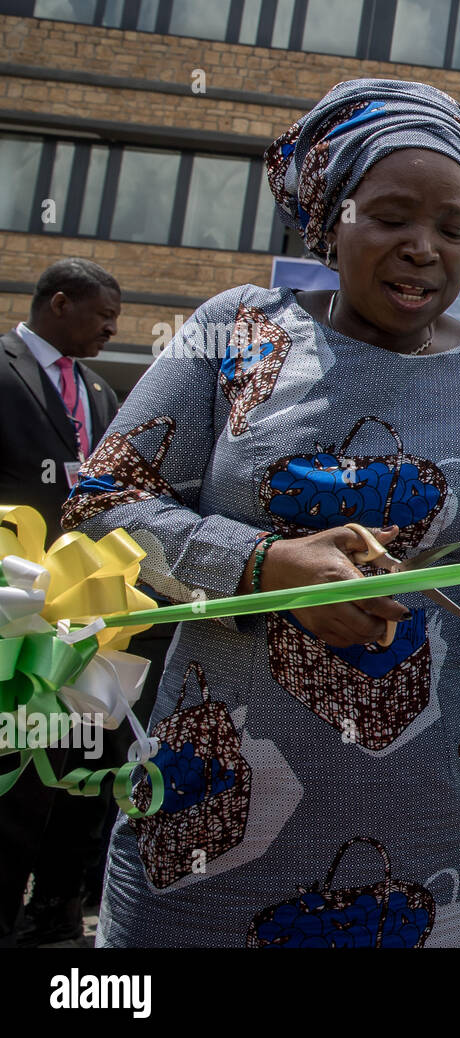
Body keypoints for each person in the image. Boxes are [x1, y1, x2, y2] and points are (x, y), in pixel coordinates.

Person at [63, 79, 460, 948]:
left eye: (453, 227)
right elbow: (100, 503)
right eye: (392, 217)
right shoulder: (235, 331)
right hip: (215, 809)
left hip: (446, 818)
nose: (424, 248)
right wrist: (264, 566)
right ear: (329, 219)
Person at [0, 259, 127, 947]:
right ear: (58, 303)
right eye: (103, 314)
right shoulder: (3, 369)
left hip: (82, 615)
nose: (114, 327)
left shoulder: (102, 393)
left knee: (82, 768)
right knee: (15, 771)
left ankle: (55, 913)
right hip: (11, 613)